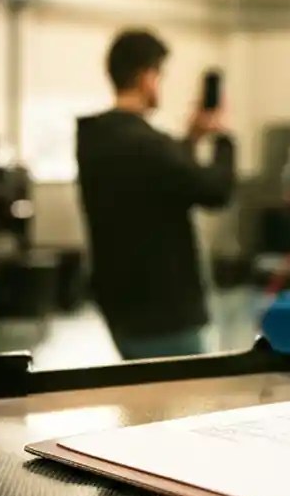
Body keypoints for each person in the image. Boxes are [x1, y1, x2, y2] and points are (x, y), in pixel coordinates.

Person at [76, 30, 235, 360]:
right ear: (146, 77)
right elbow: (215, 192)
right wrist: (223, 139)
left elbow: (159, 183)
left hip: (121, 308)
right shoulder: (149, 145)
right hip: (166, 312)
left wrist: (190, 140)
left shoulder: (93, 138)